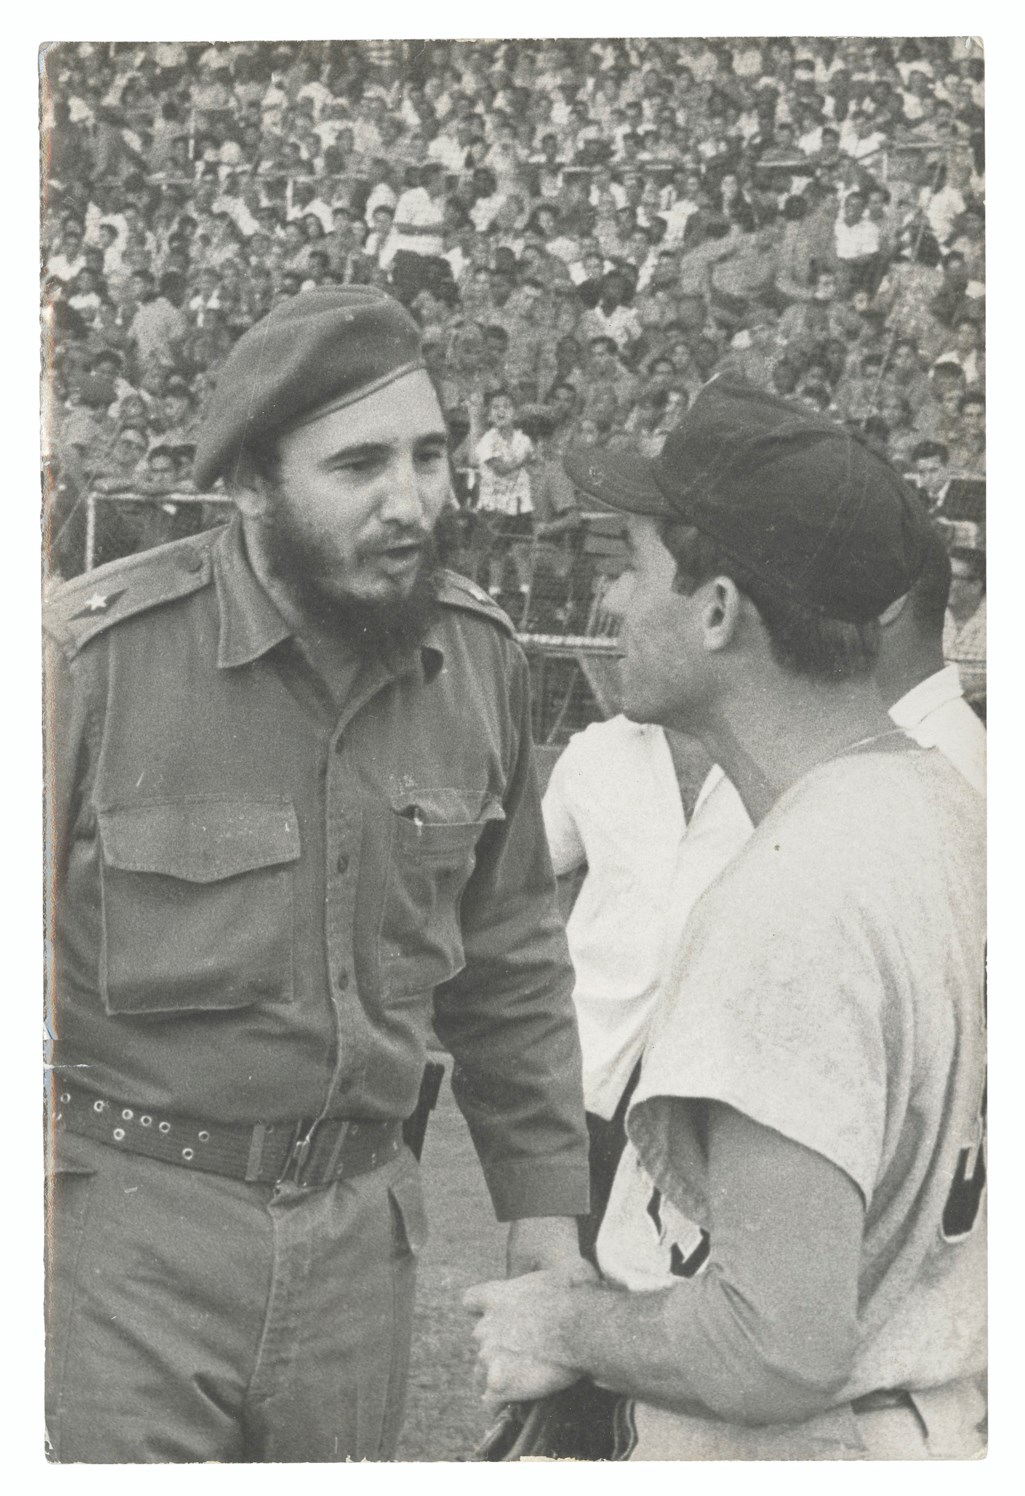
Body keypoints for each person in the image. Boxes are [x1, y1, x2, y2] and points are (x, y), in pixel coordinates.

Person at [44, 287, 591, 1464]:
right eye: (358, 466)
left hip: (358, 1246)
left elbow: (509, 966)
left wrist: (545, 1216)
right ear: (251, 483)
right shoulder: (86, 666)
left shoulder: (475, 660)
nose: (411, 502)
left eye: (429, 456)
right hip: (119, 1239)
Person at [466, 380, 986, 1461]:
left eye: (634, 565)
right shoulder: (944, 805)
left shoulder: (796, 891)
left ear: (716, 610)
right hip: (925, 1419)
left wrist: (561, 1322)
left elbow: (774, 1345)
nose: (613, 600)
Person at [542, 717, 752, 1257]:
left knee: (678, 1281)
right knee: (563, 1272)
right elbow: (529, 880)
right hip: (588, 1073)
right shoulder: (594, 751)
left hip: (714, 1085)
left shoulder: (780, 750)